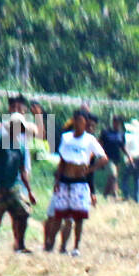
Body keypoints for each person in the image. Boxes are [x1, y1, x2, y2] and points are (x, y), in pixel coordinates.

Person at [44, 108, 107, 256]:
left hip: (79, 182)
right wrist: (57, 180)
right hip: (65, 180)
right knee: (59, 215)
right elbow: (62, 161)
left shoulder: (90, 140)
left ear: (85, 123)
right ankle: (52, 245)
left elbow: (104, 158)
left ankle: (75, 247)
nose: (79, 124)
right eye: (76, 120)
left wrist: (90, 169)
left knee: (77, 217)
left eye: (81, 121)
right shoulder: (66, 138)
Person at [0, 112, 38, 254]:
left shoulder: (21, 146)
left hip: (14, 187)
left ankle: (19, 245)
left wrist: (29, 191)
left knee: (23, 212)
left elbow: (23, 171)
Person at [99, 114, 126, 200]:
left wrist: (129, 156)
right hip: (107, 157)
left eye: (118, 122)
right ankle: (115, 195)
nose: (116, 124)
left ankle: (105, 195)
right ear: (113, 122)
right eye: (115, 122)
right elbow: (100, 143)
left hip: (116, 159)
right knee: (113, 175)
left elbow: (122, 146)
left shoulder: (121, 134)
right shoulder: (106, 132)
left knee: (112, 177)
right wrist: (99, 155)